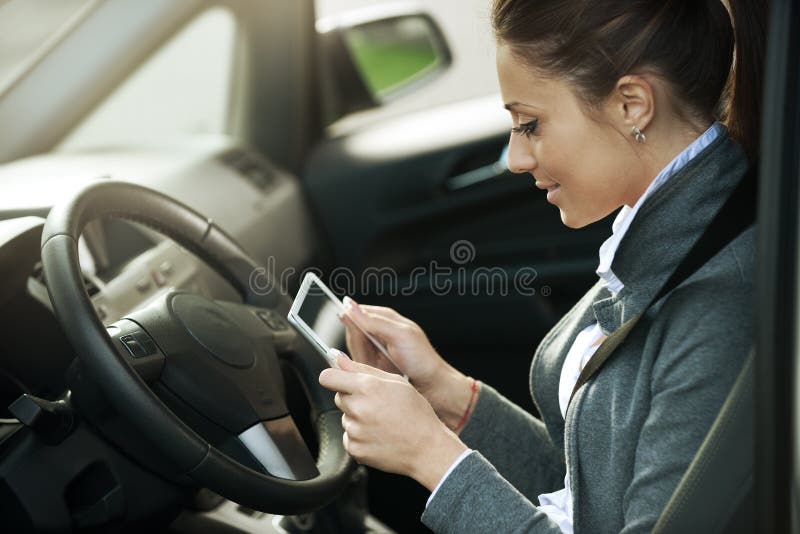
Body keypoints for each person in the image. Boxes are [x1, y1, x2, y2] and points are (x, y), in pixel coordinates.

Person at [318, 0, 765, 531]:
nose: (515, 158)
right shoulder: (676, 235)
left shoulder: (717, 306)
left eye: (529, 124)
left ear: (632, 104)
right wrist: (447, 394)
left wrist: (430, 456)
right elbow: (593, 495)